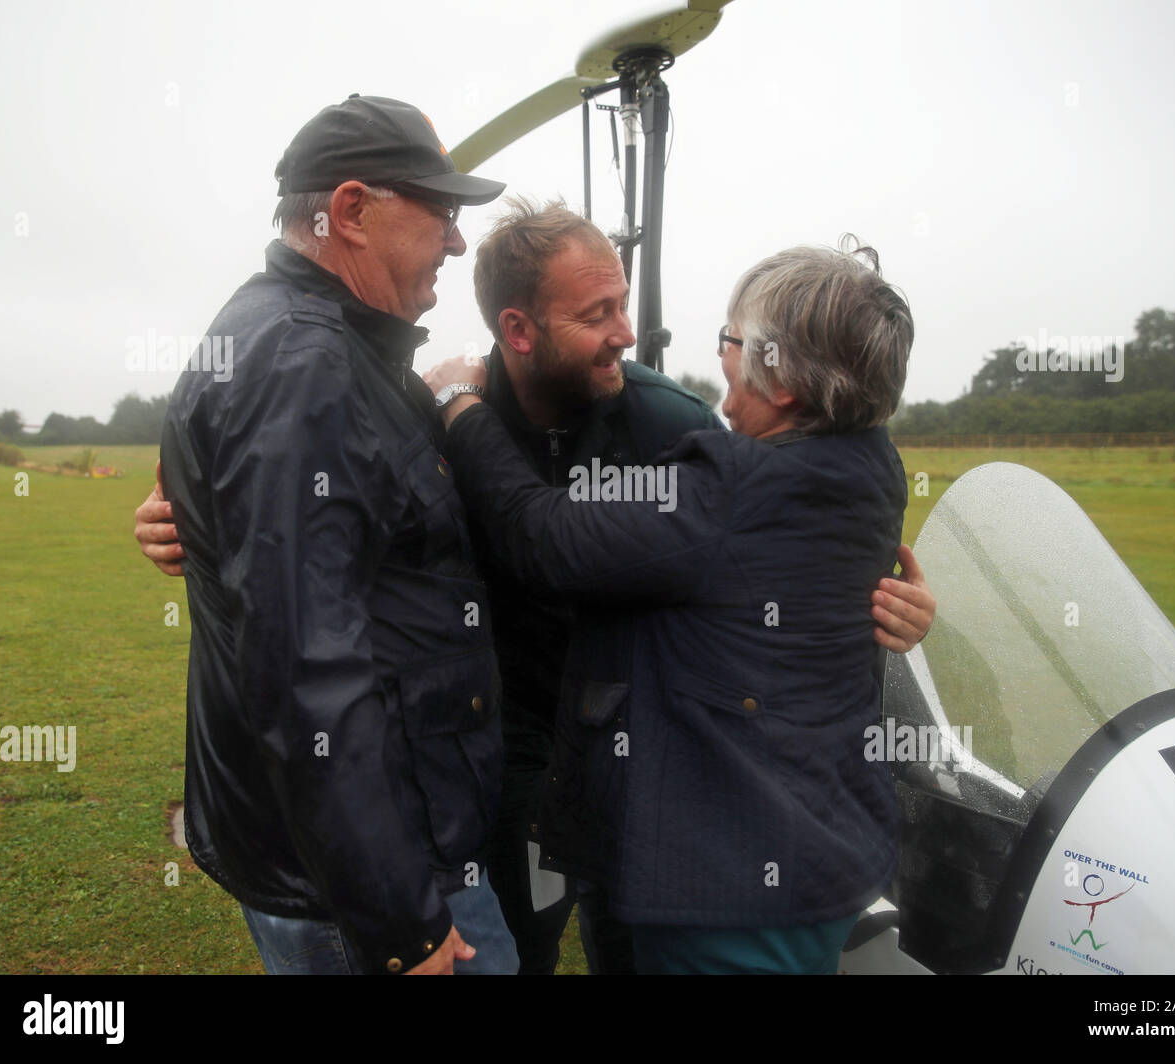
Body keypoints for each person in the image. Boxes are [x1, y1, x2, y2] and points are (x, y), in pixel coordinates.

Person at [137, 204, 936, 973]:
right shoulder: (419, 414)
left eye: (625, 304)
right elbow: (323, 518)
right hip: (496, 738)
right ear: (517, 330)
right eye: (597, 313)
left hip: (658, 765)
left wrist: (874, 604)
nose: (626, 334)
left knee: (625, 932)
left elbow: (698, 537)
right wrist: (197, 524)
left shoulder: (674, 426)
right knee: (521, 938)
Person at [425, 237, 914, 974]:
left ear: (783, 382)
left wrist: (457, 405)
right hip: (819, 853)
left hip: (728, 880)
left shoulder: (726, 485)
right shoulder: (871, 461)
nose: (722, 360)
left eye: (732, 340)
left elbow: (546, 537)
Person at [156, 94, 516, 975]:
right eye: (442, 211)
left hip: (334, 850)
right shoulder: (303, 364)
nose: (459, 242)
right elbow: (305, 666)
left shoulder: (293, 337)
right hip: (375, 874)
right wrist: (403, 922)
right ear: (351, 212)